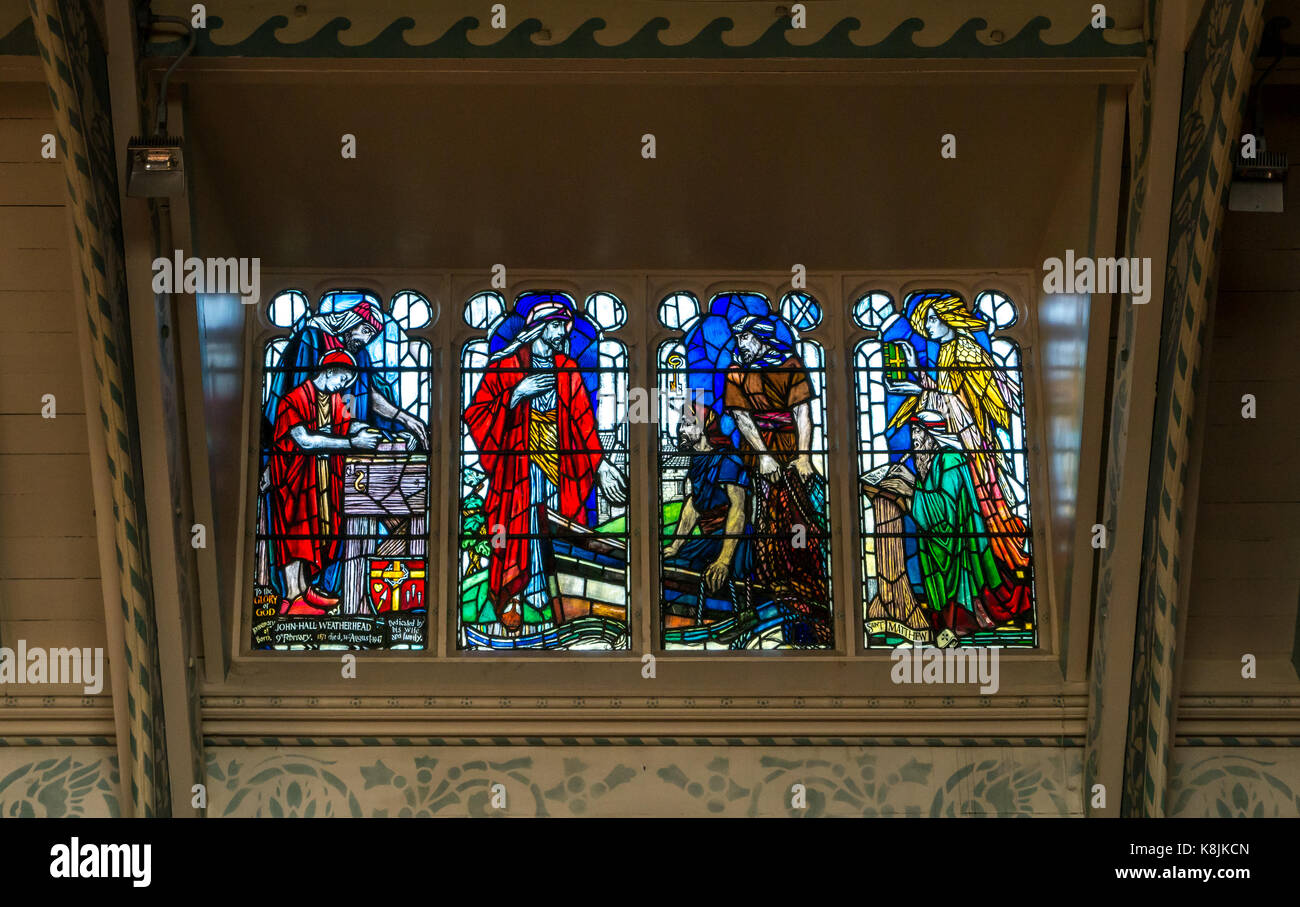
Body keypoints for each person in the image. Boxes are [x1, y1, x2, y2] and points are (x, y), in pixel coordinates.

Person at [462, 302, 627, 635]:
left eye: (565, 327)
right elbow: (476, 414)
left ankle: (548, 596)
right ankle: (516, 594)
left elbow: (583, 423)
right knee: (516, 526)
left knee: (553, 526)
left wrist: (600, 463)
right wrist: (515, 395)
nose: (562, 333)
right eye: (556, 326)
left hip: (559, 465)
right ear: (539, 329)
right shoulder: (505, 367)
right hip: (518, 467)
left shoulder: (567, 368)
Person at [885, 296, 1033, 615]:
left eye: (933, 321)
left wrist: (916, 392)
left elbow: (962, 405)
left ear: (951, 319)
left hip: (970, 442)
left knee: (980, 513)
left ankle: (987, 591)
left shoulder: (965, 350)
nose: (928, 328)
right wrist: (915, 371)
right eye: (925, 323)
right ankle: (974, 591)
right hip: (955, 440)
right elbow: (945, 395)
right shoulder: (948, 350)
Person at [724, 315, 830, 642]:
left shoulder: (790, 365)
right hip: (762, 451)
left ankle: (810, 598)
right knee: (770, 522)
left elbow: (803, 413)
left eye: (745, 338)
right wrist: (764, 457)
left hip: (791, 449)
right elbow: (742, 418)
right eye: (738, 338)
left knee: (802, 522)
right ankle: (779, 591)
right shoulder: (736, 371)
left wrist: (804, 456)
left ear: (761, 338)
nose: (739, 344)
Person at [267, 350, 383, 616]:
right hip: (294, 479)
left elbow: (346, 424)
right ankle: (291, 596)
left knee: (315, 532)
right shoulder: (292, 400)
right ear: (329, 371)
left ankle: (305, 590)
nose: (342, 388)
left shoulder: (332, 400)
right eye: (341, 381)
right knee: (296, 533)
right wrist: (353, 444)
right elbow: (305, 441)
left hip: (320, 476)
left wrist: (368, 431)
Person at [662, 407, 751, 626]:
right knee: (672, 560)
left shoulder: (728, 459)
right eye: (681, 423)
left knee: (697, 569)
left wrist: (723, 560)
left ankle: (731, 615)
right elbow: (694, 505)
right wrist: (675, 545)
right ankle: (681, 613)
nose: (680, 429)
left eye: (687, 424)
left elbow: (738, 510)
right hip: (711, 539)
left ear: (704, 427)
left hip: (732, 541)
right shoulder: (698, 462)